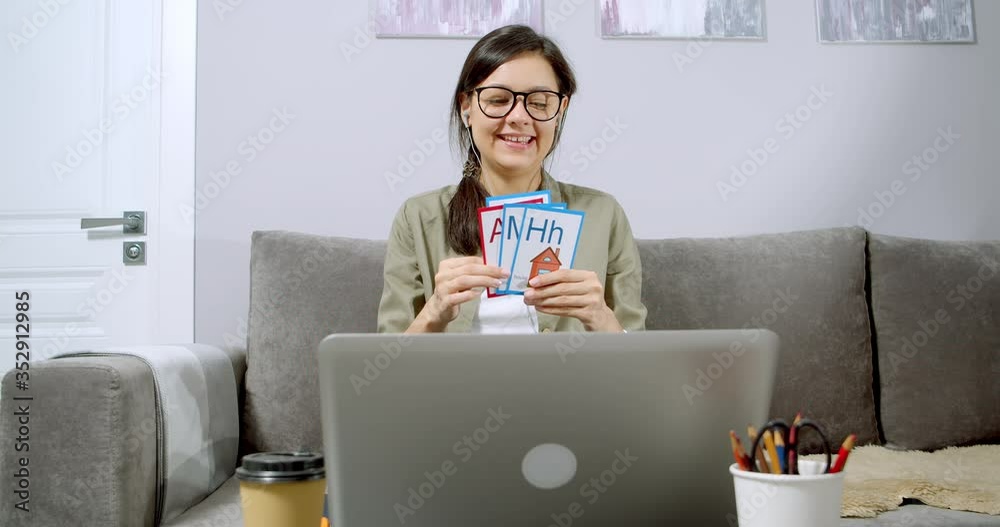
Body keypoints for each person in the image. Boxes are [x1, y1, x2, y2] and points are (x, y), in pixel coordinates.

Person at [377, 25, 646, 334]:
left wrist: (601, 317)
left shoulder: (603, 215)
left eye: (540, 102)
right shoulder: (419, 218)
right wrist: (435, 311)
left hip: (570, 384)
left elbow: (636, 365)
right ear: (467, 108)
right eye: (498, 100)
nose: (519, 116)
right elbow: (386, 366)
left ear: (560, 111)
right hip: (458, 384)